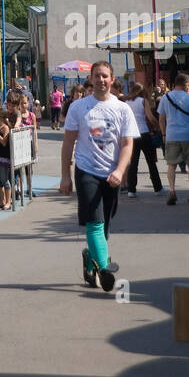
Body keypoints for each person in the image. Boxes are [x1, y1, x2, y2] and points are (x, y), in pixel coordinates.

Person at [60, 61, 137, 292]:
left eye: (105, 76)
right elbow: (68, 142)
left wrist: (120, 170)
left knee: (104, 225)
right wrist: (66, 175)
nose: (101, 80)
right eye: (97, 76)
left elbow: (127, 143)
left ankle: (90, 258)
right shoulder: (79, 107)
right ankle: (104, 270)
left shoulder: (122, 109)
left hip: (111, 174)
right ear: (90, 79)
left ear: (111, 79)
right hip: (87, 171)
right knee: (95, 223)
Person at [158, 72, 189, 205]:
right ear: (186, 83)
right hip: (188, 135)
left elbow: (161, 119)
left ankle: (172, 191)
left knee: (171, 165)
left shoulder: (165, 97)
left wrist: (163, 134)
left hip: (171, 135)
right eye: (188, 85)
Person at [124, 84, 162, 197]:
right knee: (151, 162)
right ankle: (157, 187)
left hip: (131, 135)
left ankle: (131, 190)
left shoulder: (126, 103)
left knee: (133, 163)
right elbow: (150, 117)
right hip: (143, 133)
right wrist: (157, 126)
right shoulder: (143, 101)